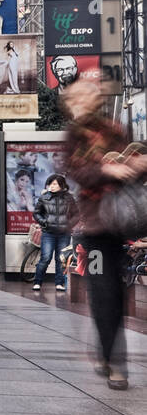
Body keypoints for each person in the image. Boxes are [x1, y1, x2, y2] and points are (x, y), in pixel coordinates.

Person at [64, 77, 142, 390]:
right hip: (93, 229)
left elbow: (132, 161)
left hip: (119, 226)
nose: (82, 99)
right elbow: (76, 171)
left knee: (117, 294)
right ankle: (114, 362)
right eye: (76, 96)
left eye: (87, 94)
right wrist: (106, 170)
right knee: (102, 291)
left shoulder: (114, 129)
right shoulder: (74, 134)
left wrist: (136, 164)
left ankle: (108, 354)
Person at [32, 177, 74, 291]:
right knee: (45, 258)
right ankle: (37, 282)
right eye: (50, 184)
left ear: (62, 185)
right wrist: (44, 222)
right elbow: (36, 213)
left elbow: (76, 214)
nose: (52, 186)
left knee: (61, 259)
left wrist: (70, 224)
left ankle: (59, 283)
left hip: (64, 233)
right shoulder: (44, 197)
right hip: (48, 233)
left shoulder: (69, 198)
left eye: (55, 184)